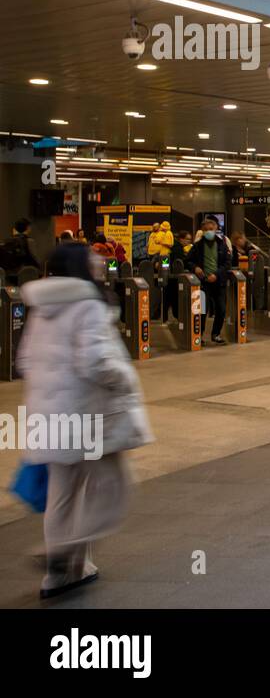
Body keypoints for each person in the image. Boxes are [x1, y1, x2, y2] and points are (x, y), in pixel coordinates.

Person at [17, 242, 153, 599]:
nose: (99, 266)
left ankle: (62, 575)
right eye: (93, 262)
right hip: (87, 416)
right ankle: (64, 551)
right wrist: (124, 378)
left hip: (51, 417)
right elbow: (94, 362)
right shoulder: (88, 305)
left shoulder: (41, 307)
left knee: (62, 495)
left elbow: (25, 362)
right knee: (112, 490)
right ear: (80, 267)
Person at [188, 219, 230, 345]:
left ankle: (216, 334)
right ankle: (199, 335)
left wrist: (216, 275)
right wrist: (195, 268)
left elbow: (227, 263)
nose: (208, 232)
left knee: (221, 309)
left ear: (215, 228)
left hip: (219, 282)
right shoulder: (198, 245)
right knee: (202, 311)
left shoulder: (222, 244)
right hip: (204, 282)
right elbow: (188, 260)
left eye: (210, 229)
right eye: (205, 230)